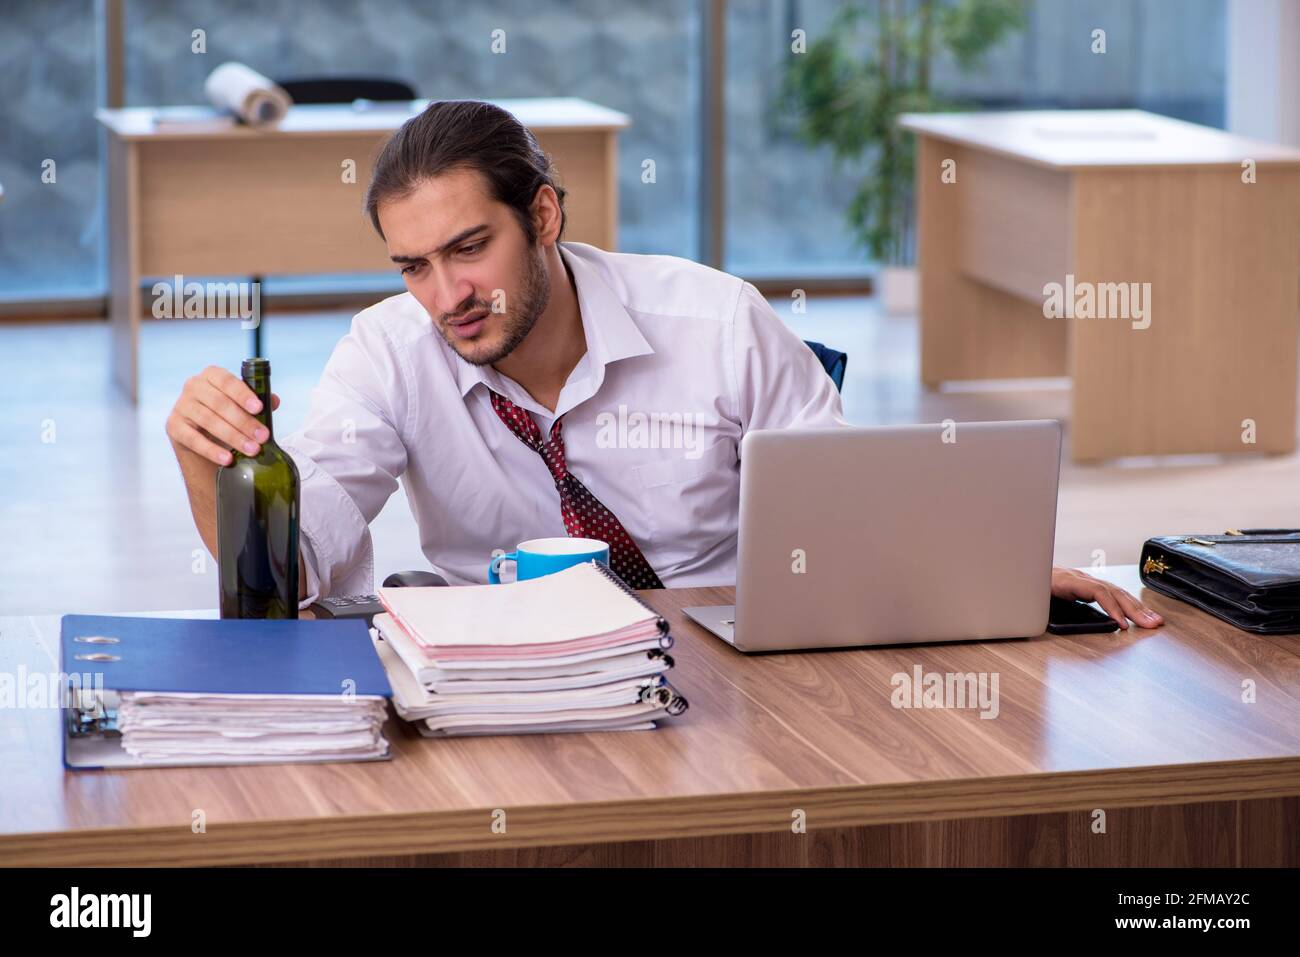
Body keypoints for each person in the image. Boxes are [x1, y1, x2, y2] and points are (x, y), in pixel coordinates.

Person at [166, 99, 1163, 629]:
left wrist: (990, 573)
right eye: (413, 266)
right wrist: (207, 467)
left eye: (470, 249)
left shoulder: (716, 321)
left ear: (544, 216)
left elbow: (855, 517)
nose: (445, 298)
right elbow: (285, 581)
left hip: (733, 658)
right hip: (509, 671)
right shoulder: (388, 351)